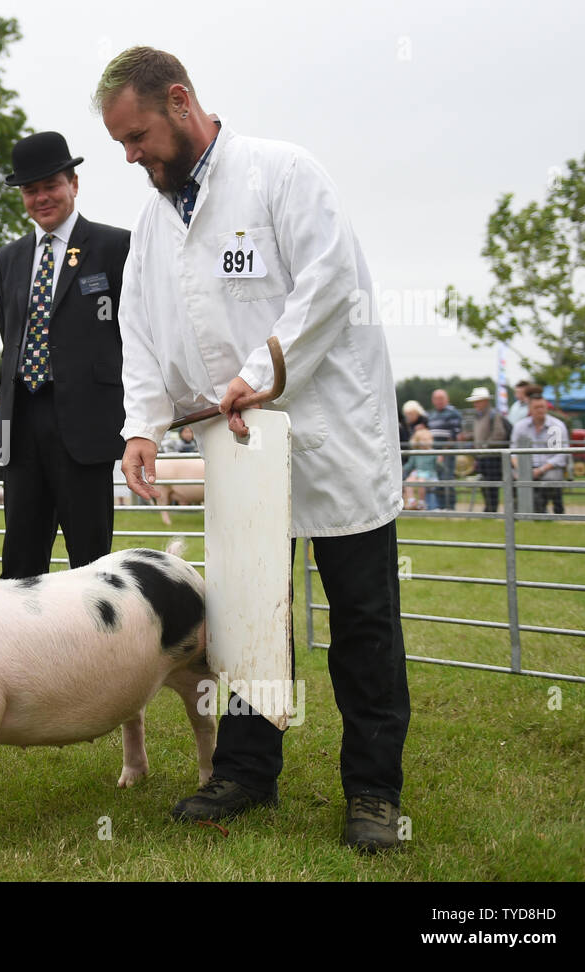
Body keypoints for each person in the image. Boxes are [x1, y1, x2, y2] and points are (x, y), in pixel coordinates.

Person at [98, 46, 409, 852]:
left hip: (330, 438)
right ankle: (244, 772)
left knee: (364, 623)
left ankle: (373, 792)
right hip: (239, 454)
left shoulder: (281, 174)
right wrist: (142, 423)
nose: (131, 157)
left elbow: (331, 283)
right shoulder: (153, 222)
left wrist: (256, 375)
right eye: (121, 146)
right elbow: (139, 332)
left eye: (137, 137)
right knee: (240, 621)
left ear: (178, 101)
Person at [0, 130, 130, 578]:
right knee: (19, 560)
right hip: (23, 421)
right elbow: (9, 335)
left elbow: (131, 333)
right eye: (31, 190)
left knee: (91, 562)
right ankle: (19, 648)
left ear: (74, 183)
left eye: (51, 185)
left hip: (85, 424)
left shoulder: (115, 247)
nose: (41, 197)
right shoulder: (8, 259)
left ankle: (97, 648)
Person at [510, 393, 569, 515]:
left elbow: (561, 454)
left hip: (549, 467)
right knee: (512, 478)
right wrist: (522, 470)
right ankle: (516, 513)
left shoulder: (556, 426)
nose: (540, 410)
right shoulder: (520, 426)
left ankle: (541, 511)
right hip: (526, 467)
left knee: (550, 478)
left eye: (543, 407)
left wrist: (541, 470)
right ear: (530, 409)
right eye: (537, 407)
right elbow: (513, 452)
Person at [466, 387, 509, 513]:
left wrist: (485, 446)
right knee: (485, 484)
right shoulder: (479, 416)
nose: (475, 404)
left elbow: (499, 434)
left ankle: (492, 509)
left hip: (491, 456)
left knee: (491, 485)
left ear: (485, 401)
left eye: (478, 401)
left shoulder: (493, 415)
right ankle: (489, 507)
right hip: (482, 456)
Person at [427, 389, 462, 511]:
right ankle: (440, 506)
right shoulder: (431, 415)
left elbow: (454, 436)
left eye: (441, 399)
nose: (439, 402)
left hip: (447, 454)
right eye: (436, 399)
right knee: (437, 479)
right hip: (434, 454)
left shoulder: (453, 413)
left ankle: (450, 506)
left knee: (447, 478)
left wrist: (442, 452)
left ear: (447, 399)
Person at [402, 427, 438, 510]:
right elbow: (410, 465)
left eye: (428, 439)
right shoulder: (416, 452)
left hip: (429, 474)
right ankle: (412, 501)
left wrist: (439, 461)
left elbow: (437, 467)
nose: (426, 442)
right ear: (418, 441)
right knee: (409, 480)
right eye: (423, 440)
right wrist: (403, 469)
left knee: (421, 481)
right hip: (418, 472)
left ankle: (422, 502)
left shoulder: (433, 452)